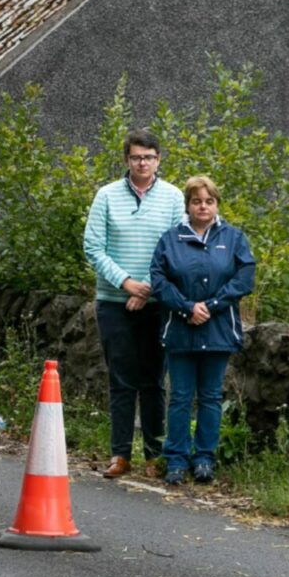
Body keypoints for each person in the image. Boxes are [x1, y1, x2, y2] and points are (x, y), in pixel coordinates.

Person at [82, 131, 186, 479]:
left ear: (159, 159)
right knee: (122, 379)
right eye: (137, 157)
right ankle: (120, 454)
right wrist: (127, 284)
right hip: (114, 302)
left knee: (154, 381)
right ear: (126, 160)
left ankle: (155, 455)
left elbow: (176, 248)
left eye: (149, 157)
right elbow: (93, 247)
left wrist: (146, 291)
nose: (143, 163)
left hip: (157, 304)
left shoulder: (173, 198)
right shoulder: (107, 196)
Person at [149, 175, 256, 485]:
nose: (203, 206)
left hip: (219, 329)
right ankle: (176, 460)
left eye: (209, 201)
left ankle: (205, 459)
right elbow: (158, 279)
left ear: (216, 204)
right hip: (180, 331)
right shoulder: (170, 239)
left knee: (210, 397)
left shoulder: (234, 238)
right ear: (188, 205)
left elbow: (244, 278)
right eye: (197, 201)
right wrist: (186, 307)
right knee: (180, 397)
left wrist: (211, 305)